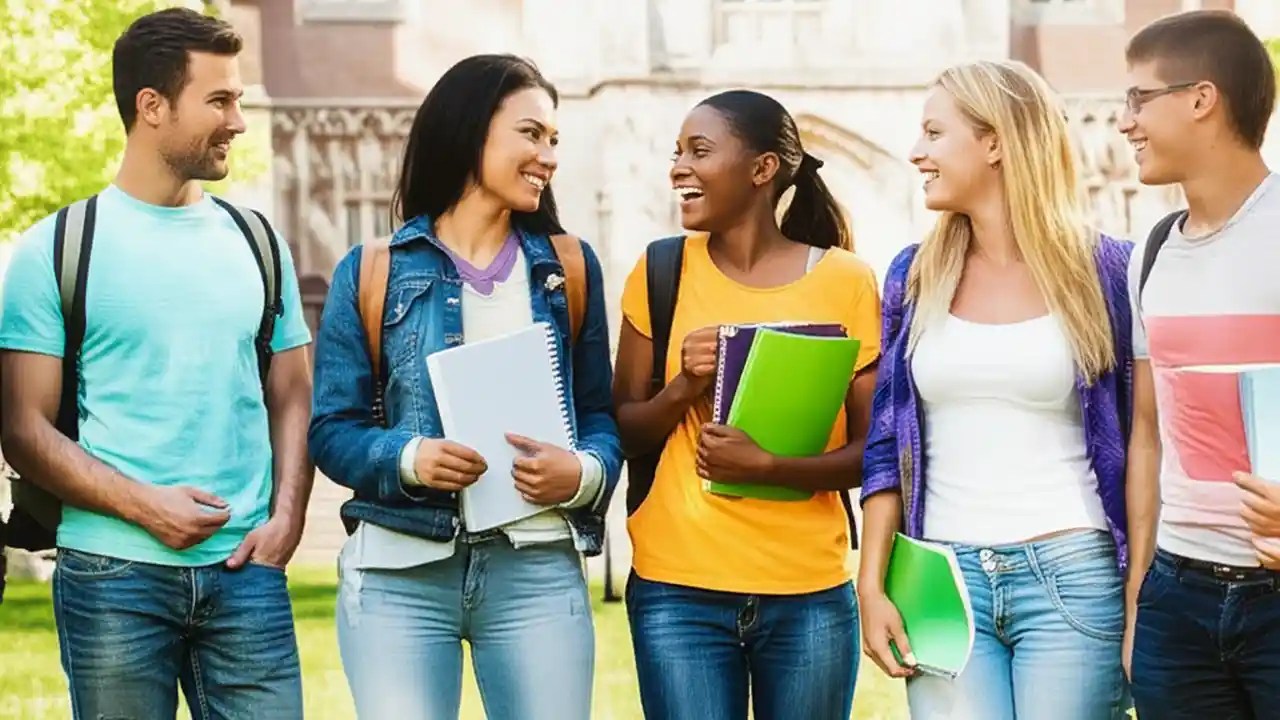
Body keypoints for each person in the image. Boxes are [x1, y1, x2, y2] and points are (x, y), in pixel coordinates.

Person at [0, 8, 313, 718]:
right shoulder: (57, 249)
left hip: (248, 571)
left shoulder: (259, 241)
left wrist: (288, 518)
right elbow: (22, 428)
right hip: (113, 575)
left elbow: (293, 390)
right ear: (151, 106)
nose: (238, 121)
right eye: (219, 100)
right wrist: (149, 509)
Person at [307, 54, 622, 720]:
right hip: (399, 573)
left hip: (535, 569)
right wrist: (408, 459)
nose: (549, 156)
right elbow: (332, 430)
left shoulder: (568, 268)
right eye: (531, 134)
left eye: (554, 140)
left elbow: (598, 413)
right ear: (471, 130)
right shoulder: (372, 270)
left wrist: (583, 474)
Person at [858, 60, 1134, 720]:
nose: (916, 152)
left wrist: (1141, 591)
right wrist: (871, 583)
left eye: (934, 133)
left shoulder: (1108, 271)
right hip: (941, 581)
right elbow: (885, 444)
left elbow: (1146, 438)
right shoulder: (914, 274)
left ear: (995, 142)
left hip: (1072, 575)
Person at [613, 89, 880, 720]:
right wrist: (683, 386)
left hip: (808, 593)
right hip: (678, 591)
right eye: (677, 152)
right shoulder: (660, 270)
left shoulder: (846, 281)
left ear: (762, 169)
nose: (678, 168)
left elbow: (872, 454)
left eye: (699, 151)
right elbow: (621, 430)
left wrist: (769, 467)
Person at [1119, 10, 1280, 717]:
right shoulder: (1151, 254)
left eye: (1139, 98)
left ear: (1201, 99)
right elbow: (1148, 434)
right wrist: (1140, 600)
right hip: (1176, 602)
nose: (1124, 122)